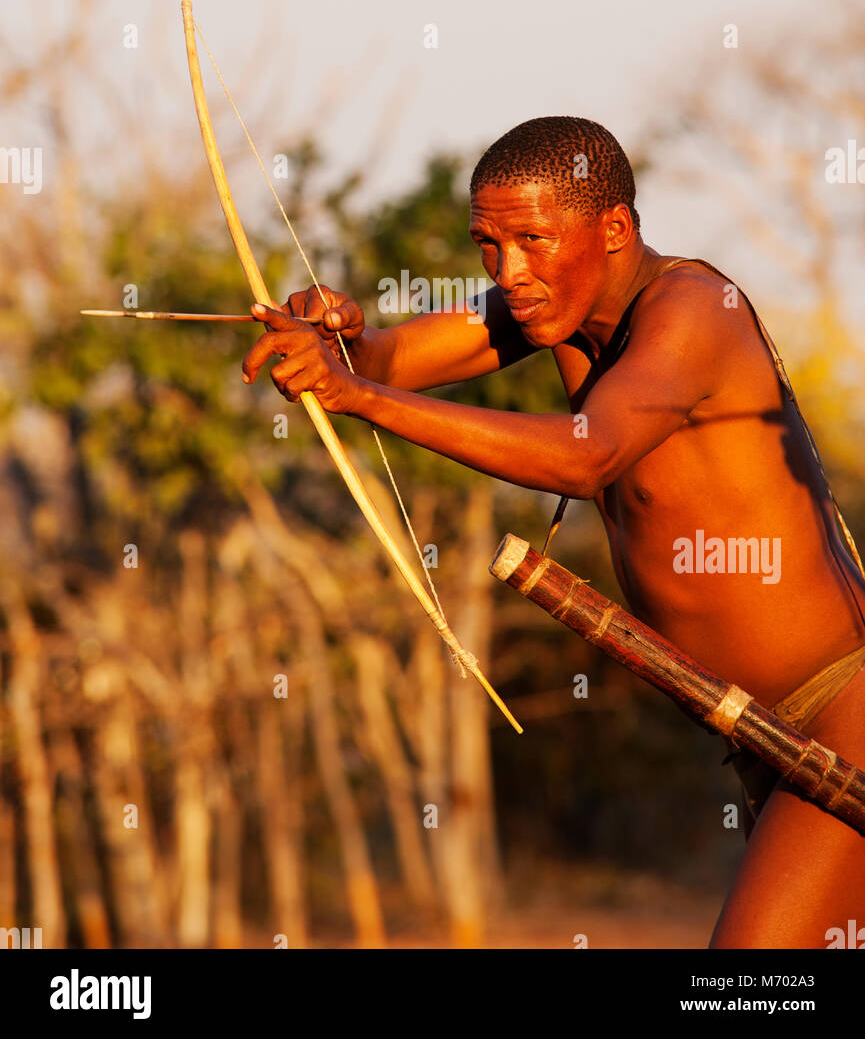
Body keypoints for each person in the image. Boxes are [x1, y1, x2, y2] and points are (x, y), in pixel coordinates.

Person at [240, 115, 865, 948]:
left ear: (613, 229)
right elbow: (380, 362)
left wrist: (359, 396)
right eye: (489, 247)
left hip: (840, 714)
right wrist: (338, 343)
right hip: (759, 736)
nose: (511, 272)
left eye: (533, 240)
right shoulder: (552, 307)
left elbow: (585, 456)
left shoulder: (691, 308)